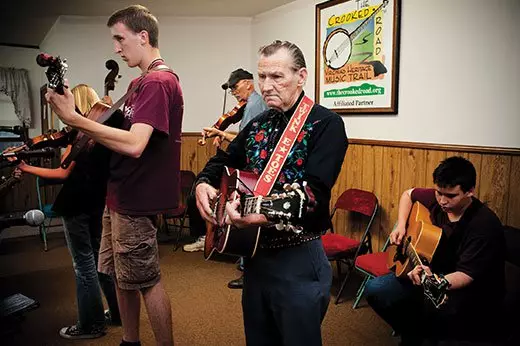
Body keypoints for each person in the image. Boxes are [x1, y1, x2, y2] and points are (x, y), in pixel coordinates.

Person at [45, 5, 183, 346]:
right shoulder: (138, 83)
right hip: (118, 194)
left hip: (137, 198)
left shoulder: (158, 82)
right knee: (122, 276)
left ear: (143, 36)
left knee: (147, 280)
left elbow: (136, 144)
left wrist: (76, 120)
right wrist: (75, 113)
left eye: (120, 39)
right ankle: (130, 340)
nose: (116, 48)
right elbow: (110, 134)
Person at [195, 40, 348, 346]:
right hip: (255, 258)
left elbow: (313, 196)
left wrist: (257, 215)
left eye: (276, 77)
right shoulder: (257, 124)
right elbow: (223, 160)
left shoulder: (326, 124)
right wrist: (202, 183)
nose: (266, 85)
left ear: (301, 76)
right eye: (262, 76)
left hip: (299, 259)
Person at [7, 84, 121, 339]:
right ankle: (116, 313)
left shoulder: (81, 135)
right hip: (97, 202)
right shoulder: (105, 130)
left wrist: (26, 168)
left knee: (84, 265)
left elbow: (62, 172)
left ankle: (90, 325)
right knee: (99, 261)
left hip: (76, 203)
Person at [365, 156, 505, 345]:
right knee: (375, 289)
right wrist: (401, 227)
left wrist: (435, 281)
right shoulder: (436, 198)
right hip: (427, 268)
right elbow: (408, 194)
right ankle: (411, 332)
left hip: (461, 286)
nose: (442, 201)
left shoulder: (483, 225)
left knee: (434, 313)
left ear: (470, 191)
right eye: (439, 193)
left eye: (451, 196)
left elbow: (466, 274)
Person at [184, 68, 268, 289]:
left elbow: (245, 138)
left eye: (236, 87)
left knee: (246, 211)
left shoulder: (255, 104)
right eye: (231, 90)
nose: (234, 92)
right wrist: (220, 132)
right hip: (248, 166)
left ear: (249, 83)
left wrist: (221, 134)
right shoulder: (249, 105)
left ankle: (245, 266)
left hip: (251, 169)